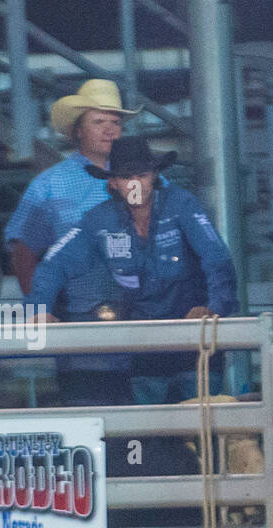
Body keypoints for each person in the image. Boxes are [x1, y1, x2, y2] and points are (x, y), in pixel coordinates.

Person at [28, 137, 240, 410]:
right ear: (113, 183)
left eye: (142, 175)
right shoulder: (99, 220)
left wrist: (213, 308)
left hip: (195, 337)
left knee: (205, 426)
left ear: (154, 176)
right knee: (147, 430)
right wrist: (39, 309)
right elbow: (54, 264)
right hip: (142, 343)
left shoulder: (181, 205)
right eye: (127, 177)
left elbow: (217, 258)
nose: (136, 184)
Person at [4, 78, 140, 407]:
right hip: (79, 321)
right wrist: (40, 309)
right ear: (77, 130)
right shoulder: (50, 186)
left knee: (148, 421)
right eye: (99, 122)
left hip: (141, 317)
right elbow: (24, 252)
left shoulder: (147, 177)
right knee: (90, 411)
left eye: (115, 122)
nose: (110, 130)